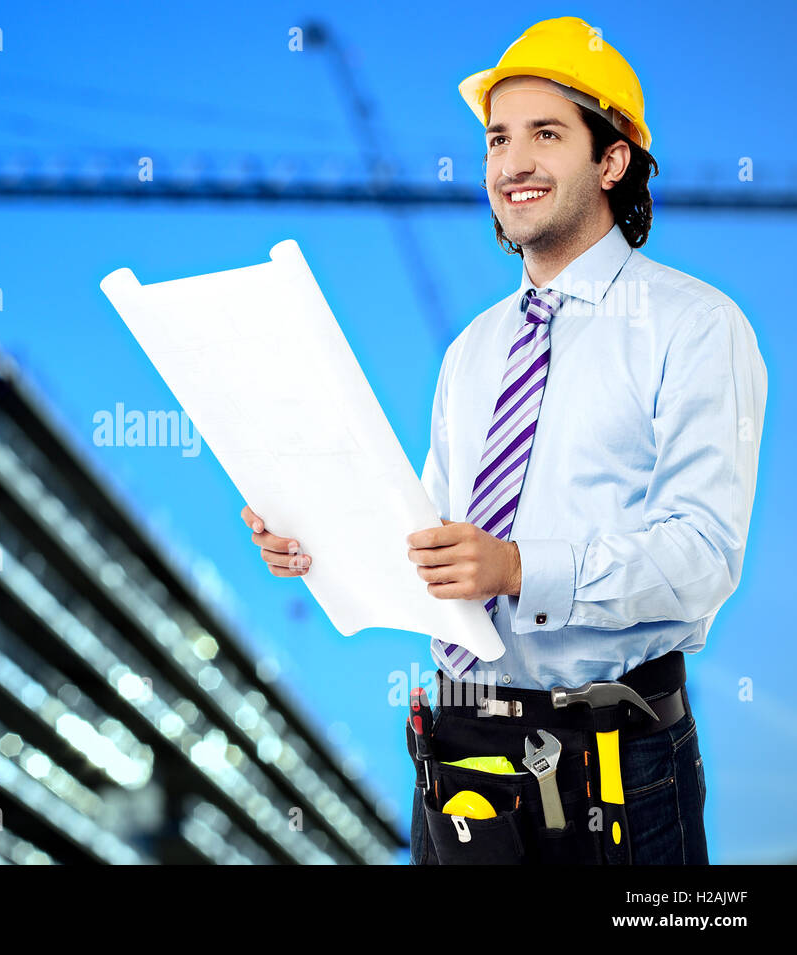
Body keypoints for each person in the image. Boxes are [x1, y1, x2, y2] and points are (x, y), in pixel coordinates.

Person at [239, 16, 766, 864]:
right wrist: (320, 543)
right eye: (496, 138)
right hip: (459, 758)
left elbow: (703, 557)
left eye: (545, 134)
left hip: (615, 765)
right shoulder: (475, 350)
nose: (511, 162)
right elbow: (431, 545)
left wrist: (521, 567)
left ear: (612, 159)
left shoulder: (695, 327)